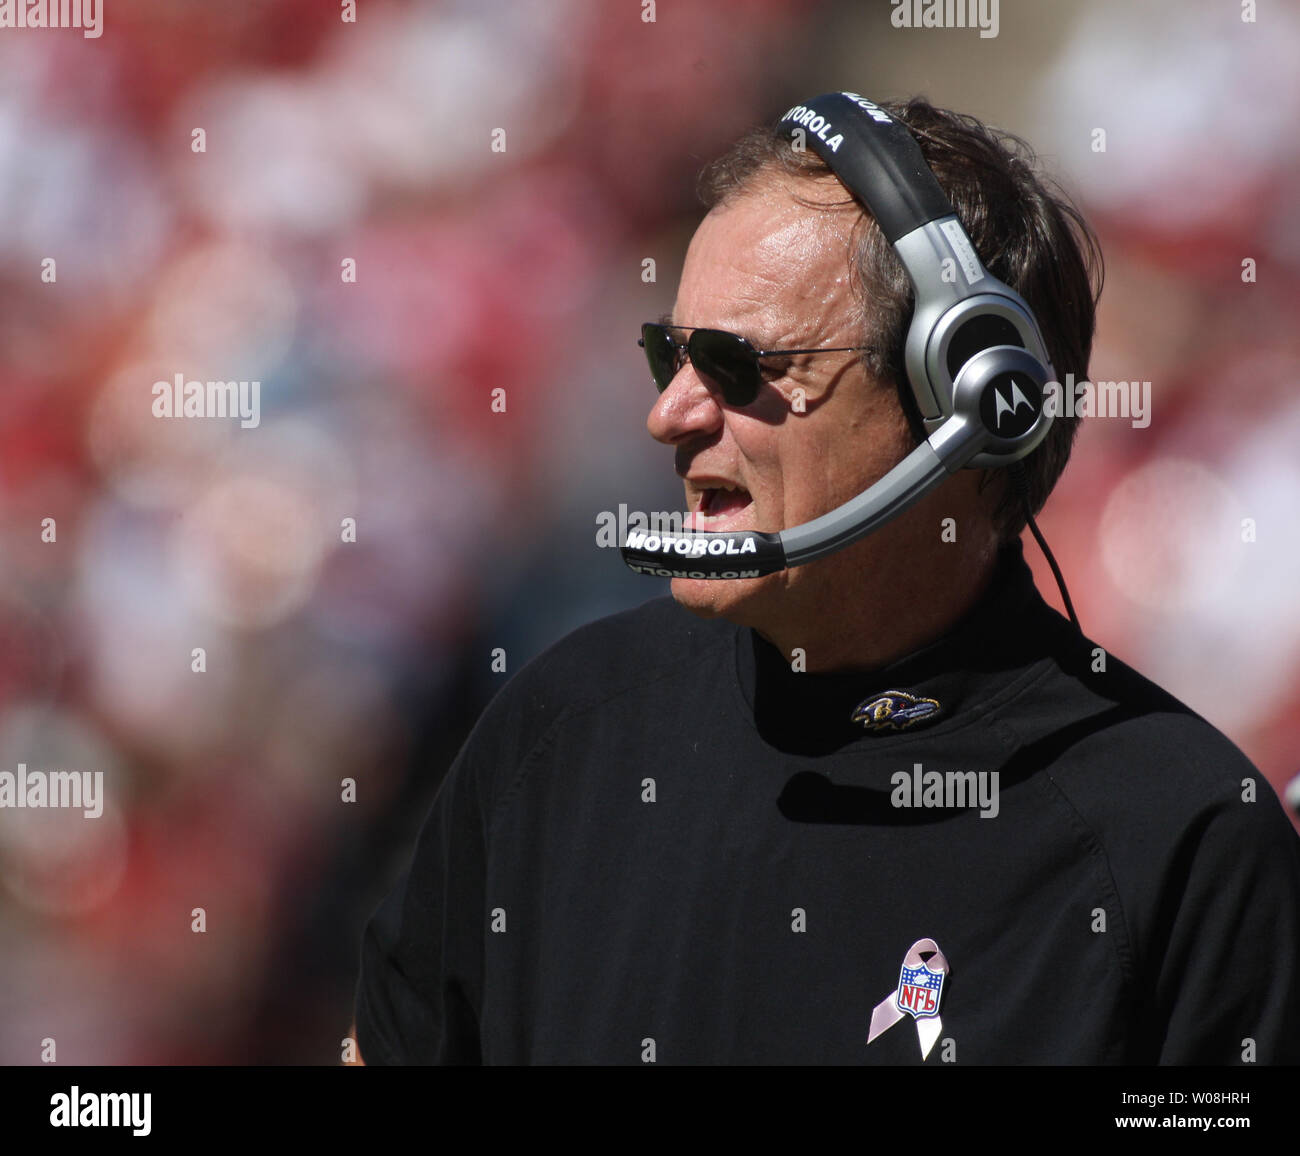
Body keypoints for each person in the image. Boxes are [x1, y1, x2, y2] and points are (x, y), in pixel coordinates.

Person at [351, 95, 1300, 1065]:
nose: (670, 414)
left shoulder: (1181, 843)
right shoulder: (562, 728)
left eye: (731, 363)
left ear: (965, 393)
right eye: (666, 354)